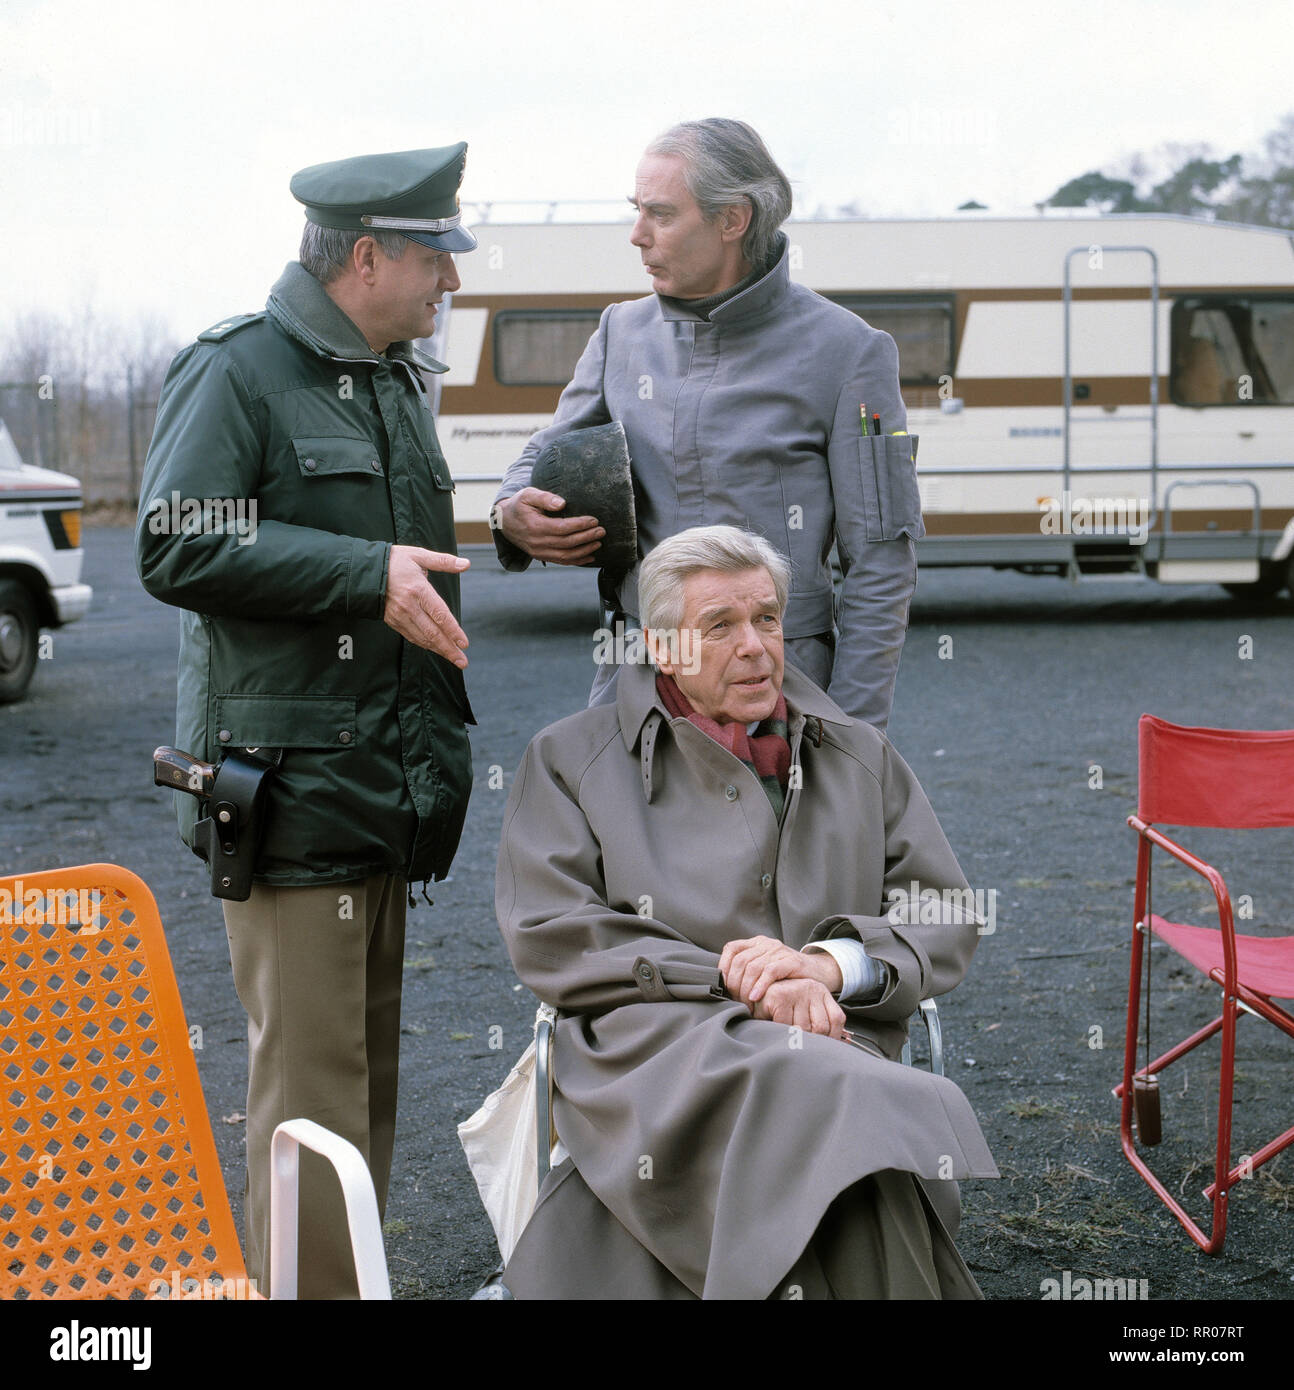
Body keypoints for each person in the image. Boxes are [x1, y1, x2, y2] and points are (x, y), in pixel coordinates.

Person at [135, 144, 478, 1298]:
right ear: (368, 253)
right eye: (437, 255)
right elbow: (175, 540)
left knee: (360, 1093)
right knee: (309, 1103)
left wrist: (511, 526)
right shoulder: (238, 370)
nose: (452, 283)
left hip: (378, 792)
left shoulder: (385, 378)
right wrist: (361, 570)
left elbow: (408, 565)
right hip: (286, 799)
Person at [493, 525, 997, 1299]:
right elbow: (552, 931)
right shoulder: (570, 760)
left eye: (767, 618)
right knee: (856, 1123)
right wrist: (745, 979)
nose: (757, 645)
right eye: (720, 626)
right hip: (652, 1048)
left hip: (830, 1031)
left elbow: (945, 910)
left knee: (836, 1109)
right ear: (663, 650)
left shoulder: (857, 753)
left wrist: (827, 966)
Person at [491, 118, 923, 731]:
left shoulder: (849, 351)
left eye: (661, 214)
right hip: (638, 685)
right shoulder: (621, 332)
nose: (637, 235)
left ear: (732, 220)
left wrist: (851, 732)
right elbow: (548, 450)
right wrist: (510, 510)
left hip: (779, 695)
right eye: (636, 210)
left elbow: (881, 562)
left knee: (775, 833)